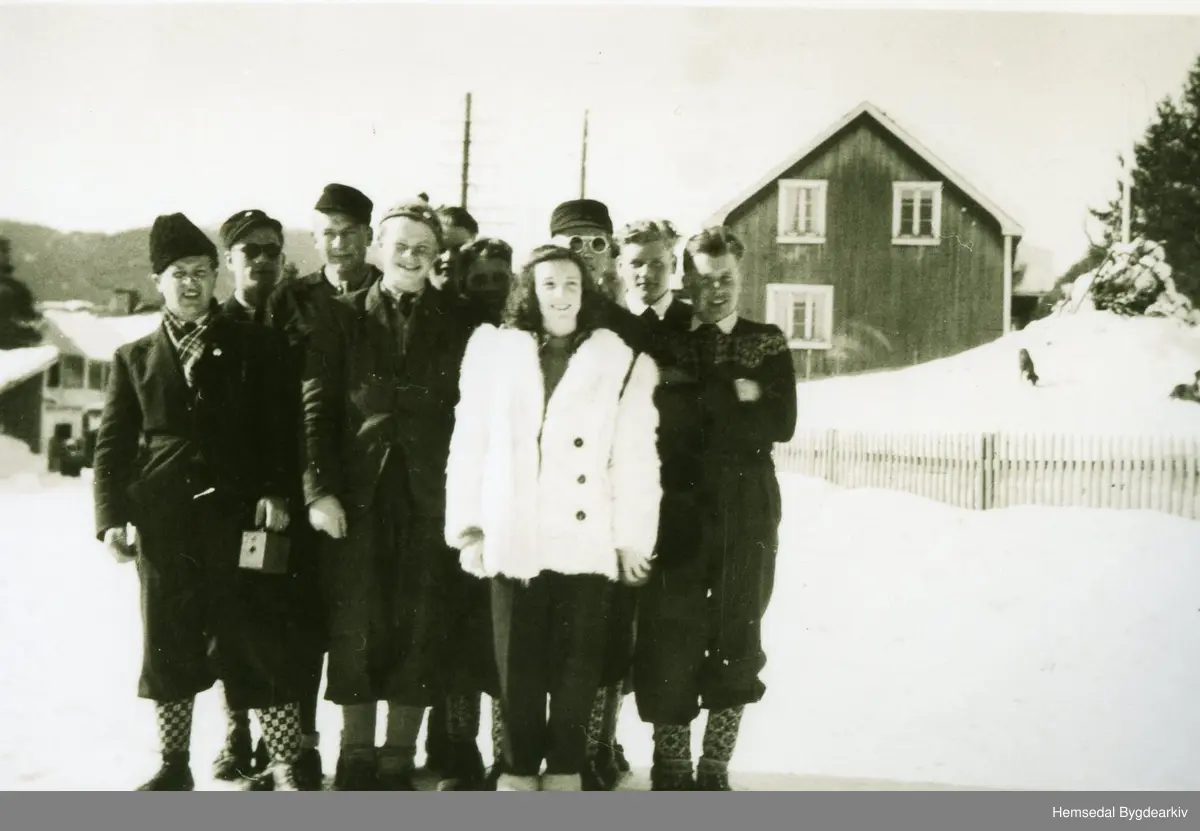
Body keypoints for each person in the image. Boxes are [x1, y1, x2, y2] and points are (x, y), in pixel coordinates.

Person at [92, 213, 310, 791]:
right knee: (168, 641)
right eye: (178, 274)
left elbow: (282, 429)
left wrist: (276, 491)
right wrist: (111, 519)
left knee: (260, 637)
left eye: (200, 272)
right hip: (165, 522)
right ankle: (173, 765)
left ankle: (285, 762)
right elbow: (112, 445)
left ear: (216, 276)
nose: (190, 284)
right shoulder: (133, 357)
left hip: (245, 519)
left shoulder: (257, 345)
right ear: (157, 281)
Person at [444, 244, 661, 792]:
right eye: (548, 284)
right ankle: (517, 772)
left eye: (571, 284)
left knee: (575, 669)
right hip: (513, 532)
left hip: (583, 536)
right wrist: (470, 527)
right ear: (529, 291)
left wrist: (632, 539)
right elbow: (469, 445)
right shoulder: (494, 355)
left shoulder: (620, 362)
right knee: (515, 667)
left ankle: (565, 771)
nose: (560, 296)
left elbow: (635, 457)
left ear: (586, 293)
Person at [302, 199, 478, 791]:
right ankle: (355, 754)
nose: (410, 257)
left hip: (431, 496)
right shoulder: (341, 316)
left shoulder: (459, 320)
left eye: (423, 249)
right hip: (358, 496)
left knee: (421, 620)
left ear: (437, 256)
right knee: (355, 621)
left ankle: (398, 754)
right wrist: (320, 491)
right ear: (379, 248)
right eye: (400, 246)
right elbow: (317, 407)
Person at [631, 226, 797, 790]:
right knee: (670, 627)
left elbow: (781, 423)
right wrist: (739, 392)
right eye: (703, 279)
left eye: (725, 278)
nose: (716, 289)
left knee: (738, 625)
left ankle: (715, 766)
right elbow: (664, 423)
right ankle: (672, 763)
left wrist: (701, 394)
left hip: (747, 501)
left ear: (740, 277)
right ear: (686, 279)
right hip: (676, 501)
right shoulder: (664, 340)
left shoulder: (766, 340)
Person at [209, 209, 327, 790]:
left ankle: (299, 745)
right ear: (229, 260)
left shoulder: (299, 322)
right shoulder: (212, 327)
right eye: (249, 250)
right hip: (232, 506)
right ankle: (238, 733)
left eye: (272, 250)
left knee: (297, 625)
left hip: (293, 504)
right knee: (233, 621)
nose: (261, 259)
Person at [547, 198, 635, 788]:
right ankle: (541, 747)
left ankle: (597, 744)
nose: (585, 255)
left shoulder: (628, 326)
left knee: (607, 630)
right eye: (572, 244)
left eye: (596, 243)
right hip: (549, 501)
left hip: (607, 498)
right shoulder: (534, 322)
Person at [265, 183, 382, 342]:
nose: (339, 244)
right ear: (315, 239)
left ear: (368, 236)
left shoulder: (390, 294)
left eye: (349, 232)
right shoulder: (288, 298)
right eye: (329, 233)